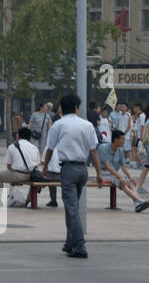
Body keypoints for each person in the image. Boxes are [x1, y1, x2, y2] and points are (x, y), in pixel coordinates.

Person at [43, 94, 104, 258]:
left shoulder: (58, 125)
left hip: (68, 169)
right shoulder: (88, 125)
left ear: (62, 108)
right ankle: (70, 243)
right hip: (83, 169)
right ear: (77, 107)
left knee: (71, 209)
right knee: (73, 208)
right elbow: (94, 151)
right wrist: (98, 173)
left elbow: (49, 149)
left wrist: (45, 168)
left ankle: (79, 245)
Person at [102, 129, 149, 212]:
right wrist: (121, 177)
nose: (124, 141)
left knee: (131, 182)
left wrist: (130, 176)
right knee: (122, 181)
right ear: (116, 140)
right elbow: (107, 167)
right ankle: (139, 200)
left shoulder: (120, 150)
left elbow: (124, 167)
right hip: (103, 173)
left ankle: (137, 204)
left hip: (114, 173)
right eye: (122, 139)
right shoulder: (104, 148)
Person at [0, 126, 41, 206]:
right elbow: (36, 164)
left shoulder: (13, 146)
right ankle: (27, 201)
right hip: (31, 175)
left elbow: (9, 166)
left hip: (17, 175)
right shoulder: (34, 148)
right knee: (36, 182)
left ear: (18, 136)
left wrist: (13, 180)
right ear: (29, 137)